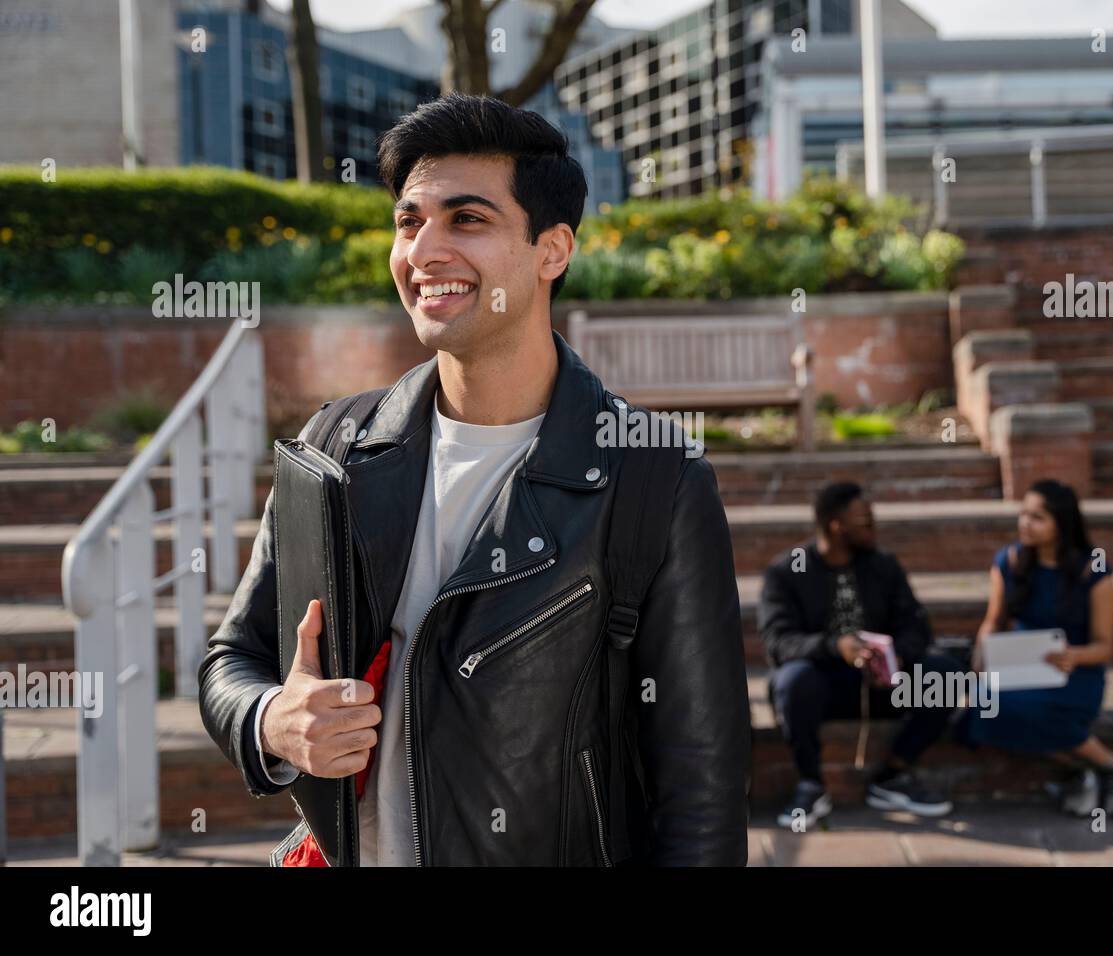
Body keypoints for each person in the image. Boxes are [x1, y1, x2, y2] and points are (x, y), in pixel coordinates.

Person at [197, 93, 751, 866]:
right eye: (409, 221)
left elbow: (702, 796)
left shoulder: (653, 477)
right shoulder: (335, 448)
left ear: (552, 251)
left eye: (467, 220)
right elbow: (232, 660)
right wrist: (273, 722)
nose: (424, 250)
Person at [758, 481, 963, 825]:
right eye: (865, 521)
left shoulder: (883, 565)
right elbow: (779, 642)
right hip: (824, 684)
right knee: (792, 681)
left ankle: (893, 775)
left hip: (883, 683)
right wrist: (836, 647)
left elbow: (916, 625)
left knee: (946, 673)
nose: (873, 528)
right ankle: (811, 784)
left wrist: (892, 658)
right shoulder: (786, 572)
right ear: (837, 525)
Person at [957, 478, 1113, 817]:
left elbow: (1104, 646)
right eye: (1024, 514)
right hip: (1019, 663)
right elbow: (993, 620)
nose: (1025, 524)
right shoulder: (1010, 561)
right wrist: (982, 651)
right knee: (980, 705)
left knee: (1031, 709)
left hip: (1074, 672)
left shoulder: (1094, 570)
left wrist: (1073, 655)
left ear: (1063, 523)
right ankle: (1079, 771)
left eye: (1038, 517)